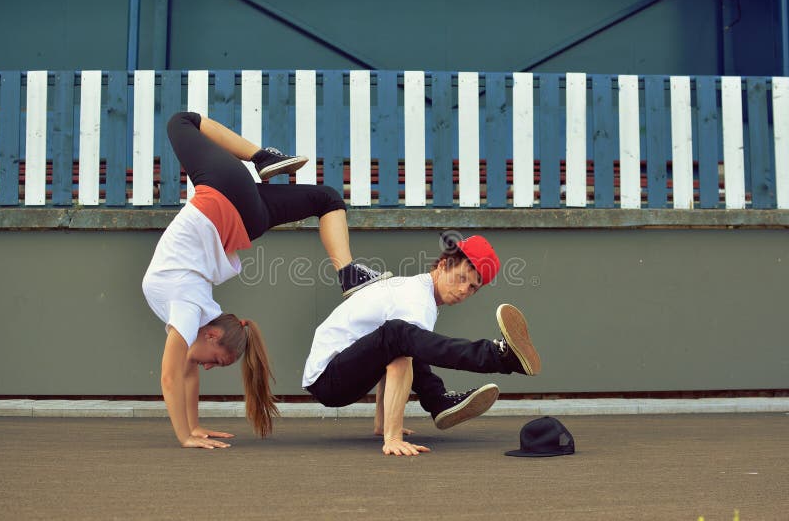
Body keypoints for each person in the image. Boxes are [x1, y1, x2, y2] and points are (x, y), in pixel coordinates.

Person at [142, 112, 390, 449]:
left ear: (213, 335)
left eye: (215, 361)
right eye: (216, 361)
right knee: (327, 198)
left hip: (230, 206)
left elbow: (172, 376)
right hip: (236, 207)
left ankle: (264, 157)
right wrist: (193, 427)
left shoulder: (188, 311)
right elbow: (185, 372)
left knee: (180, 121)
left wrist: (187, 434)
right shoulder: (195, 311)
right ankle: (346, 271)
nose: (208, 367)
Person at [302, 234, 542, 456]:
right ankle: (496, 355)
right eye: (461, 278)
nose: (463, 290)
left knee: (404, 341)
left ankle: (437, 401)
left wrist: (382, 423)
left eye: (472, 287)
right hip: (328, 378)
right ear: (443, 265)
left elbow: (386, 357)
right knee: (403, 339)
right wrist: (392, 437)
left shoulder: (416, 291)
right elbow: (400, 359)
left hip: (338, 375)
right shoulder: (417, 298)